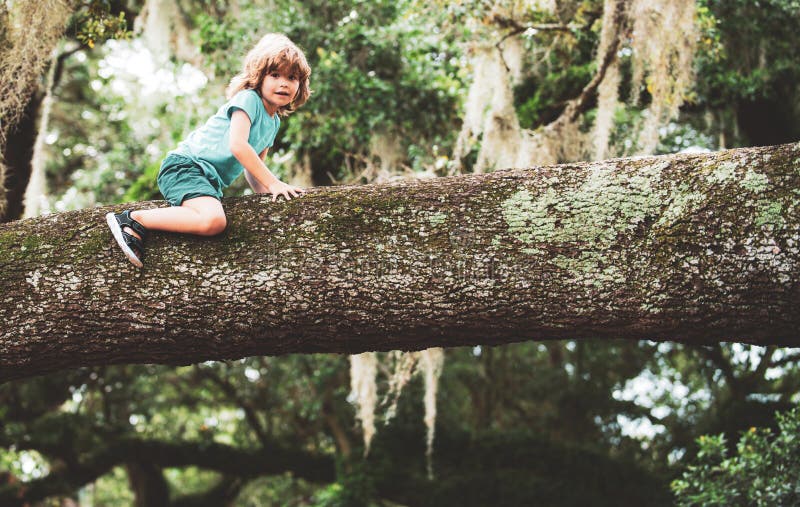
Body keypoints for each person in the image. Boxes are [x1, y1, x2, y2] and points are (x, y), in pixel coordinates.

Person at [106, 33, 311, 268]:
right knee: (214, 221)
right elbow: (238, 146)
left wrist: (268, 195)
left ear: (300, 85)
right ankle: (131, 219)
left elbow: (253, 169)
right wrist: (275, 183)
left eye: (292, 77)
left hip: (205, 180)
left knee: (212, 218)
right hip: (185, 167)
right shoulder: (248, 100)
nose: (284, 83)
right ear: (259, 77)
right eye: (275, 75)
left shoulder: (273, 122)